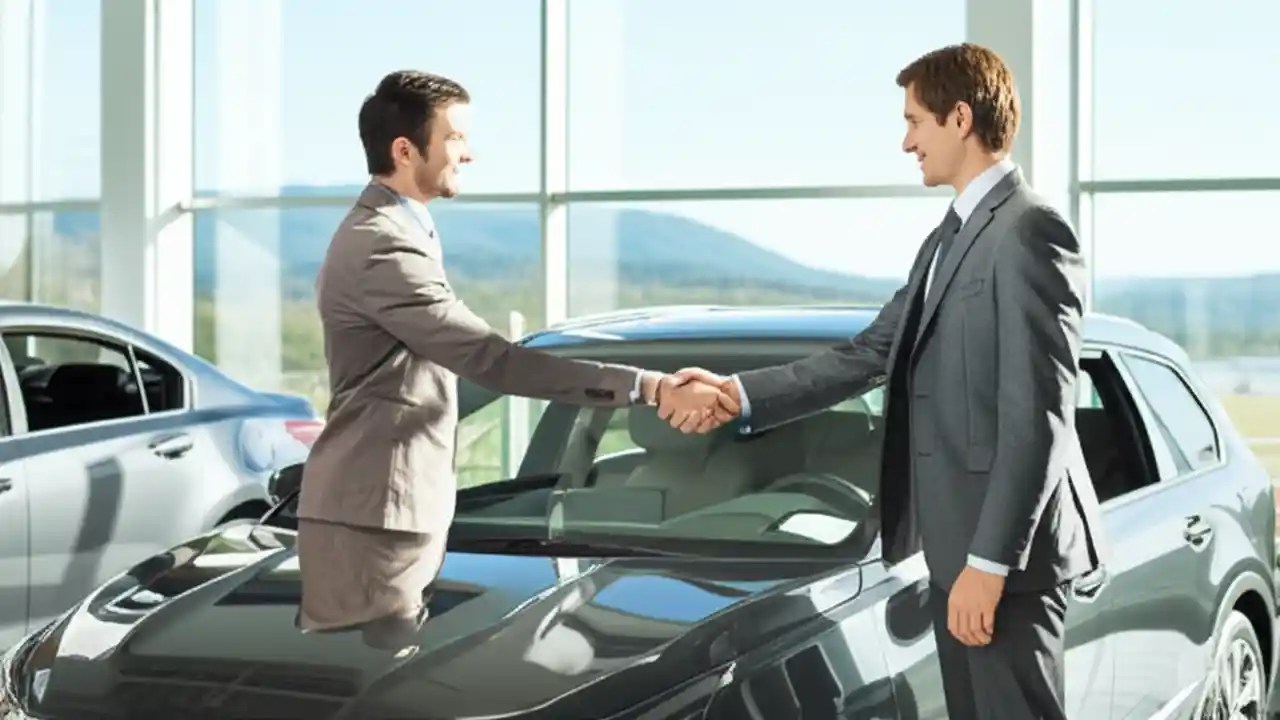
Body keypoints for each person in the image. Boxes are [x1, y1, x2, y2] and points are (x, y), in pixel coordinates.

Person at [662, 44, 1108, 720]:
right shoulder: (948, 238)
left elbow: (1038, 419)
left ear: (960, 118)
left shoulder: (1028, 232)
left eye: (916, 122)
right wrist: (738, 394)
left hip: (1003, 568)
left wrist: (988, 567)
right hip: (958, 556)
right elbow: (871, 350)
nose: (906, 142)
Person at [295, 70, 734, 649]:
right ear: (405, 150)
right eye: (455, 138)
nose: (468, 154)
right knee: (377, 692)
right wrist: (651, 388)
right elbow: (494, 362)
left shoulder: (395, 231)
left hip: (386, 510)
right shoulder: (383, 243)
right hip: (375, 518)